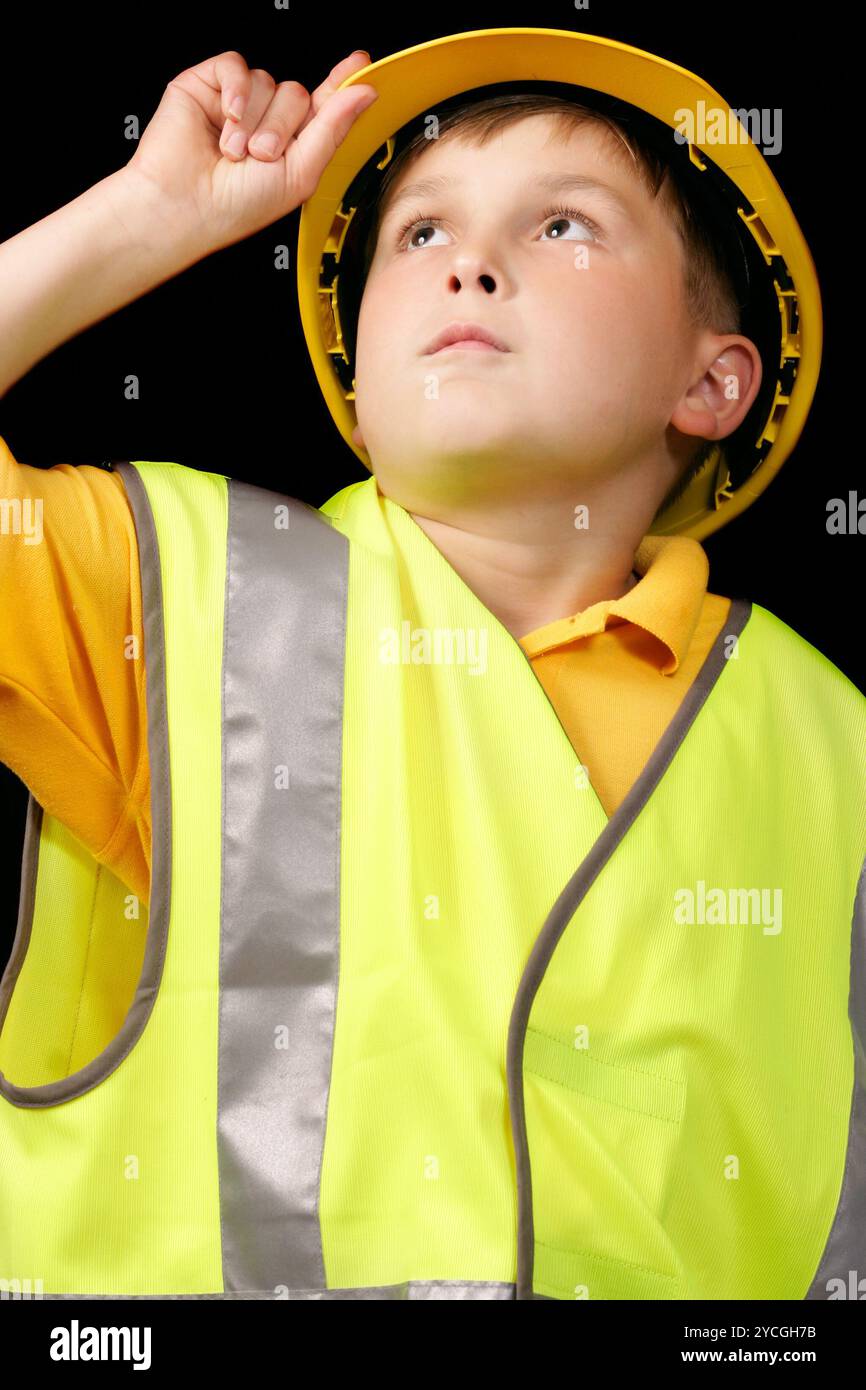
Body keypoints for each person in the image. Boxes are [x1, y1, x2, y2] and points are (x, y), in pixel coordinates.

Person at [0, 30, 862, 1302]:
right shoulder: (184, 595)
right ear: (356, 390)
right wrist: (143, 219)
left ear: (712, 379)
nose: (467, 263)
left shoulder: (829, 743)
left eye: (562, 225)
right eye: (418, 236)